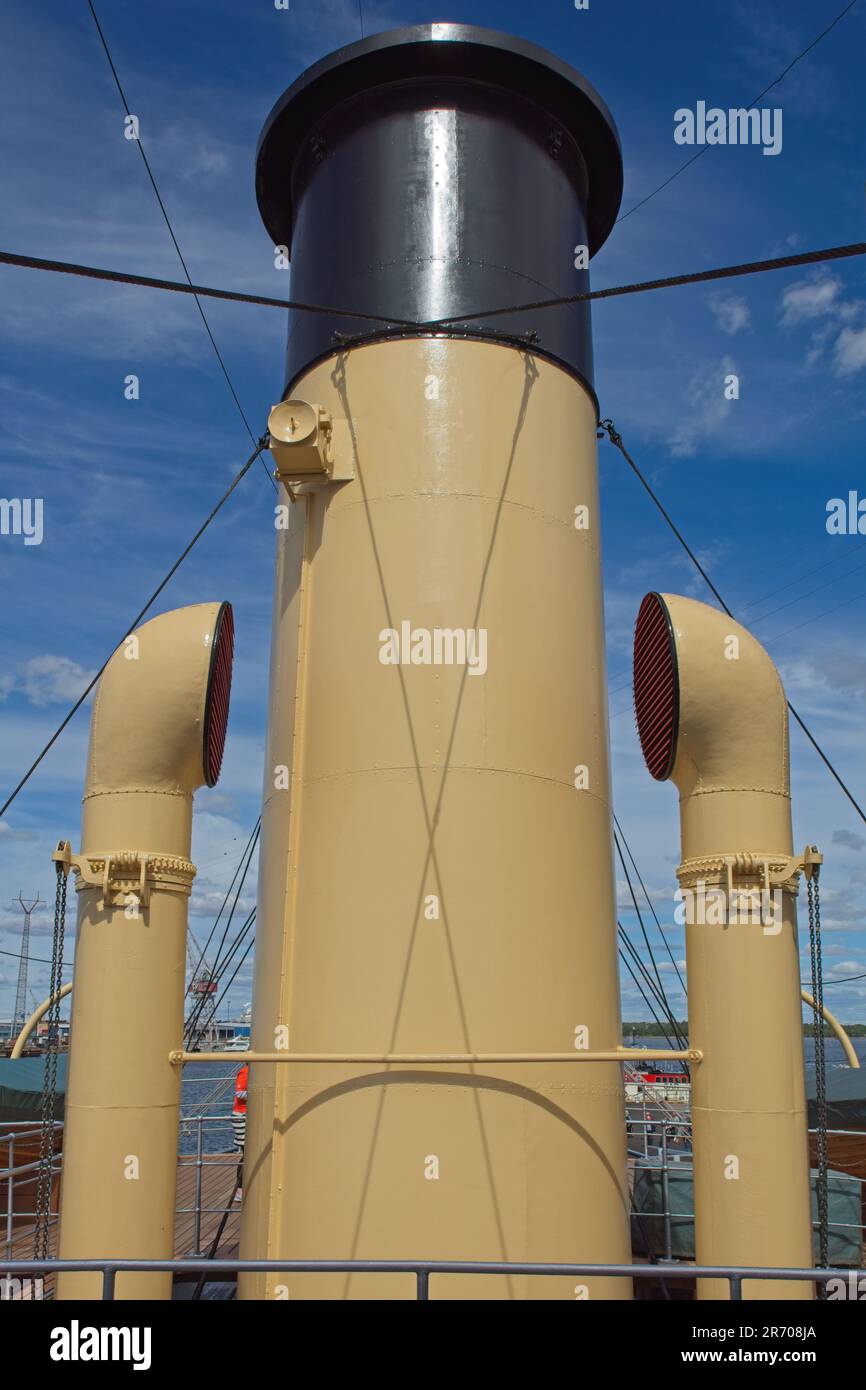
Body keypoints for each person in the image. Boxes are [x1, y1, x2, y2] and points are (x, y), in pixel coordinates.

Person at [231, 1062, 248, 1200]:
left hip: (248, 1115)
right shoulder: (245, 1072)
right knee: (247, 1154)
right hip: (241, 1116)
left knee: (248, 1154)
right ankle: (240, 1190)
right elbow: (240, 1093)